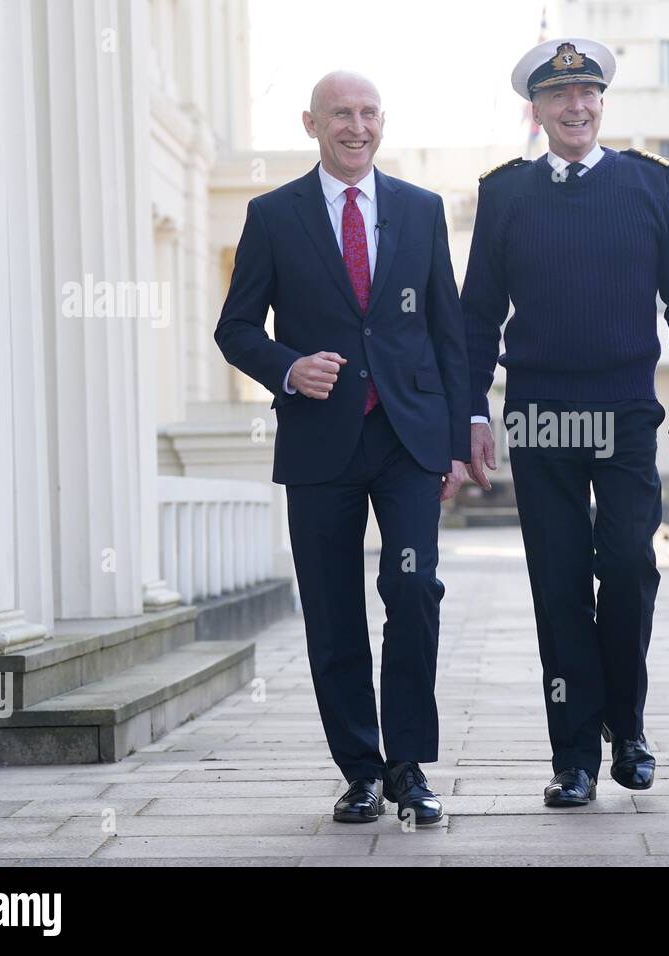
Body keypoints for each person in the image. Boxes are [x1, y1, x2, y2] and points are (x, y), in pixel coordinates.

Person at [461, 38, 669, 808]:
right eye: (559, 97)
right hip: (539, 417)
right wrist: (474, 410)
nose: (576, 107)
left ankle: (627, 729)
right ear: (534, 111)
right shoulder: (504, 195)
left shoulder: (650, 184)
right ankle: (573, 755)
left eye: (588, 93)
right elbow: (476, 317)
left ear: (601, 103)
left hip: (627, 412)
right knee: (560, 582)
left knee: (631, 568)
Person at [214, 71, 470, 827]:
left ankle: (410, 768)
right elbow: (235, 328)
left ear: (381, 123)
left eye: (367, 114)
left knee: (414, 593)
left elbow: (447, 332)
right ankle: (360, 771)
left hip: (407, 438)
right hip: (319, 441)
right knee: (332, 611)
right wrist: (288, 367)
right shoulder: (272, 215)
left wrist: (455, 443)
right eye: (339, 115)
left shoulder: (421, 212)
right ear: (311, 123)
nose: (355, 127)